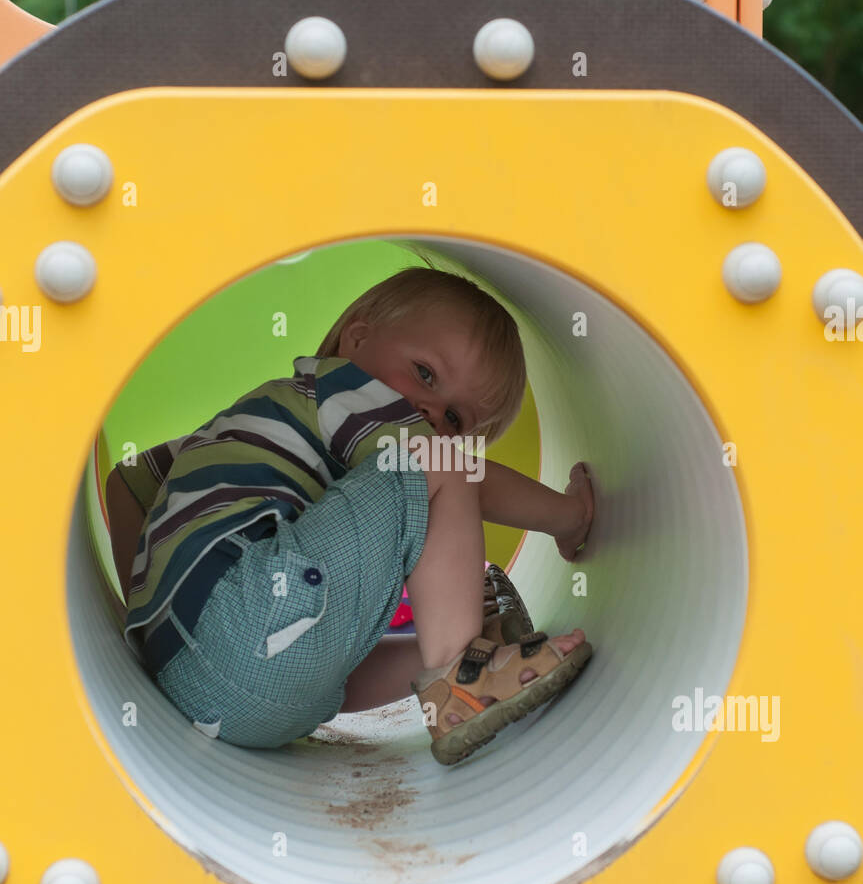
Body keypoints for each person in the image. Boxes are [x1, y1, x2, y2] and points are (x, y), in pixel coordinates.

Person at [105, 265, 594, 766]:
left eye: (455, 419)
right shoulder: (341, 388)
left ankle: (465, 663)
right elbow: (460, 471)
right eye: (424, 373)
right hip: (244, 610)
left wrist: (142, 619)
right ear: (356, 339)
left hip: (201, 685)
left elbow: (126, 482)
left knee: (335, 645)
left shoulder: (243, 434)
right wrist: (569, 515)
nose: (429, 412)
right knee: (436, 465)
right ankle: (465, 673)